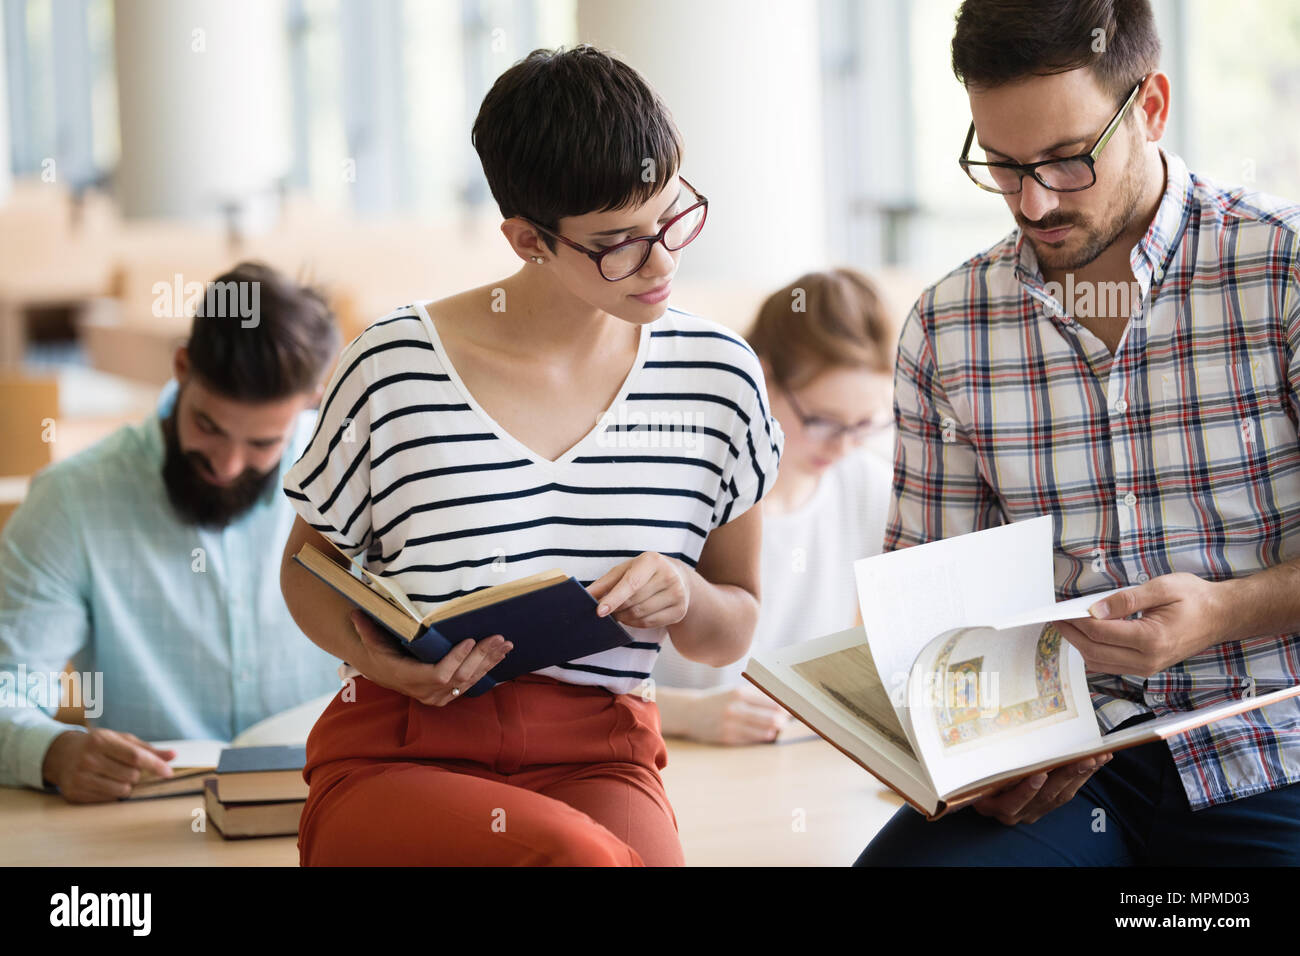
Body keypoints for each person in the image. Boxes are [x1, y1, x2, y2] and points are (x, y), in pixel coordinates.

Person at [278, 45, 783, 866]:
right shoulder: (393, 367)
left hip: (600, 752)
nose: (661, 262)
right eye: (616, 242)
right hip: (401, 748)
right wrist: (382, 662)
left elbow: (731, 631)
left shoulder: (718, 376)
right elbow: (305, 572)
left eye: (670, 217)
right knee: (580, 861)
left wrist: (686, 594)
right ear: (527, 241)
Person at [857, 0, 1300, 866]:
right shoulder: (949, 328)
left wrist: (1222, 613)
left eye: (1066, 161)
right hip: (1066, 758)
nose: (1033, 201)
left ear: (1152, 108)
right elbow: (931, 605)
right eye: (1001, 164)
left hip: (1273, 743)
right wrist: (979, 748)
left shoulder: (1281, 270)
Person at [0, 261, 343, 803]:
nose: (228, 465)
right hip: (146, 824)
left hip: (323, 805)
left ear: (308, 405)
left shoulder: (347, 483)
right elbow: (7, 689)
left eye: (261, 445)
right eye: (208, 426)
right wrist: (54, 752)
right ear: (182, 367)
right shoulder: (71, 501)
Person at [653, 269, 895, 745]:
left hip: (797, 759)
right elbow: (575, 683)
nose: (844, 445)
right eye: (823, 421)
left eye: (865, 423)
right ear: (761, 377)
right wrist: (686, 714)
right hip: (671, 756)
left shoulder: (868, 486)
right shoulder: (681, 483)